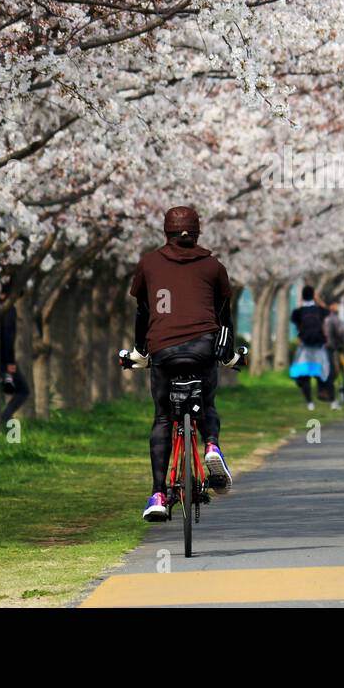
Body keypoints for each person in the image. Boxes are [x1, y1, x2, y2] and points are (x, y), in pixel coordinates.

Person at [129, 206, 237, 523]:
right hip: (204, 347)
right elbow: (224, 317)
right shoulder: (214, 266)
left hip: (162, 349)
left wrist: (139, 351)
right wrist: (229, 353)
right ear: (197, 232)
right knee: (207, 402)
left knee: (163, 417)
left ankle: (158, 495)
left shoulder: (149, 264)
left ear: (167, 232)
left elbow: (142, 313)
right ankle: (212, 446)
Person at [290, 285, 337, 409]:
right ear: (313, 296)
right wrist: (318, 300)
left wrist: (300, 305)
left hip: (304, 348)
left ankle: (310, 403)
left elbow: (295, 319)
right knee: (324, 373)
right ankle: (332, 401)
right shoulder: (319, 310)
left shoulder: (298, 312)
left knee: (304, 376)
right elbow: (327, 312)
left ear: (302, 297)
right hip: (319, 347)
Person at [0, 292, 31, 427]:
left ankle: (5, 418)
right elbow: (8, 339)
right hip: (4, 360)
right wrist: (10, 365)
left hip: (1, 358)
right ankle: (5, 417)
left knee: (9, 389)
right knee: (23, 390)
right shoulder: (9, 311)